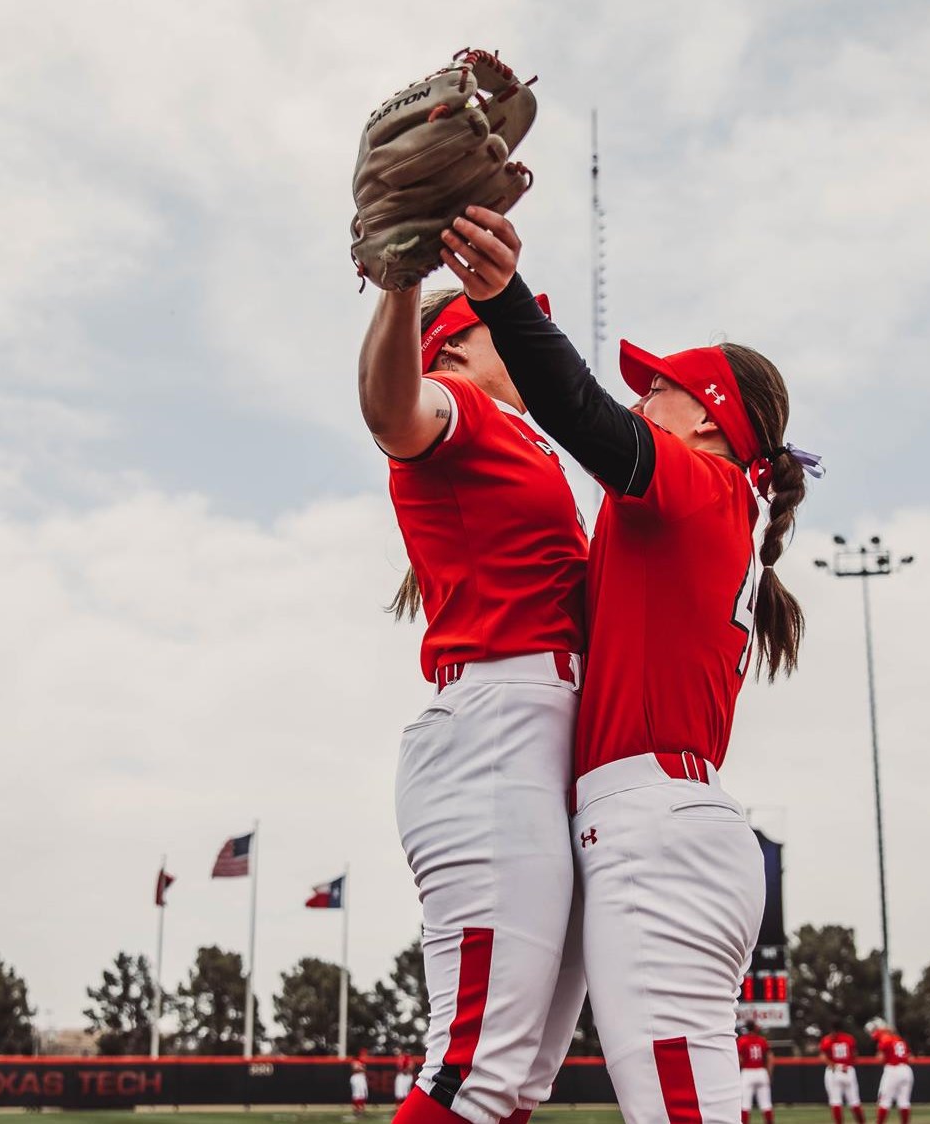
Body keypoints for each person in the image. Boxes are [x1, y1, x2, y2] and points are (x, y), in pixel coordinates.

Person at [440, 206, 816, 1124]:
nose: (644, 397)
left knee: (685, 1115)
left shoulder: (708, 485)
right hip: (658, 822)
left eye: (663, 388)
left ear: (713, 419)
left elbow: (580, 412)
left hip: (656, 828)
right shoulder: (697, 510)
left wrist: (503, 298)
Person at [358, 263, 591, 1124]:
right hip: (497, 732)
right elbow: (390, 411)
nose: (530, 337)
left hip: (541, 738)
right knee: (477, 1067)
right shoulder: (458, 404)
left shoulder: (526, 435)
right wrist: (397, 287)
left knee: (520, 1079)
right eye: (506, 324)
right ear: (453, 341)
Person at [817, 1025, 865, 1124]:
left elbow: (823, 1057)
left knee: (836, 1102)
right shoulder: (849, 1038)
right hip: (848, 1070)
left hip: (834, 1071)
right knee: (855, 1102)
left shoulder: (828, 1039)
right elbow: (855, 1055)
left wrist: (835, 1066)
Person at [871, 1023, 913, 1124]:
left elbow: (880, 1058)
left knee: (884, 1101)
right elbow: (910, 1057)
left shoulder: (886, 1040)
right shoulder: (900, 1040)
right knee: (904, 1102)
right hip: (906, 1070)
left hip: (893, 1070)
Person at [735, 1022, 774, 1124]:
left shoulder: (742, 1040)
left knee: (745, 1104)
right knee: (766, 1104)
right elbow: (770, 1057)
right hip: (761, 1072)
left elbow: (740, 1059)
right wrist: (769, 1074)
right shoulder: (762, 1040)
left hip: (748, 1072)